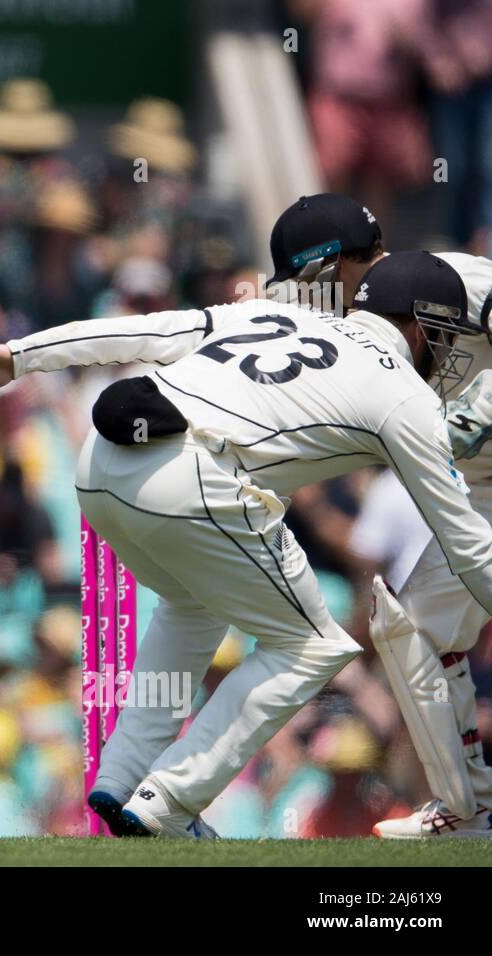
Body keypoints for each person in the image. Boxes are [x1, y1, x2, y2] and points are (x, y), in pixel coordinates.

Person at [0, 251, 492, 837]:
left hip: (100, 464)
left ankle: (120, 779)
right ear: (422, 323)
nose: (450, 354)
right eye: (447, 335)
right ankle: (168, 800)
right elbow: (471, 549)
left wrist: (20, 357)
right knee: (313, 646)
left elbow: (147, 331)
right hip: (190, 475)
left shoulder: (278, 314)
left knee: (192, 607)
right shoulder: (408, 397)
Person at [266, 192, 492, 838]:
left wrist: (484, 401)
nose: (306, 301)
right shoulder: (349, 335)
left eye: (308, 283)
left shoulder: (464, 281)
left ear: (335, 266)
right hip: (482, 492)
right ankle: (469, 809)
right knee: (403, 625)